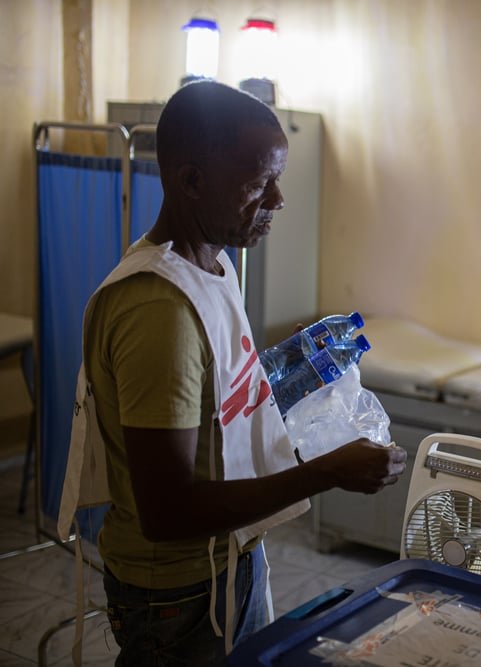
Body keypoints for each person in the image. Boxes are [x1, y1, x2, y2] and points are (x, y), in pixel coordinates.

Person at [58, 81, 407, 665]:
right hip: (179, 593)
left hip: (228, 558)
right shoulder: (156, 311)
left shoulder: (213, 266)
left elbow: (210, 400)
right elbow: (169, 512)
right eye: (256, 184)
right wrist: (326, 473)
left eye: (277, 179)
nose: (277, 199)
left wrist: (293, 371)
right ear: (190, 180)